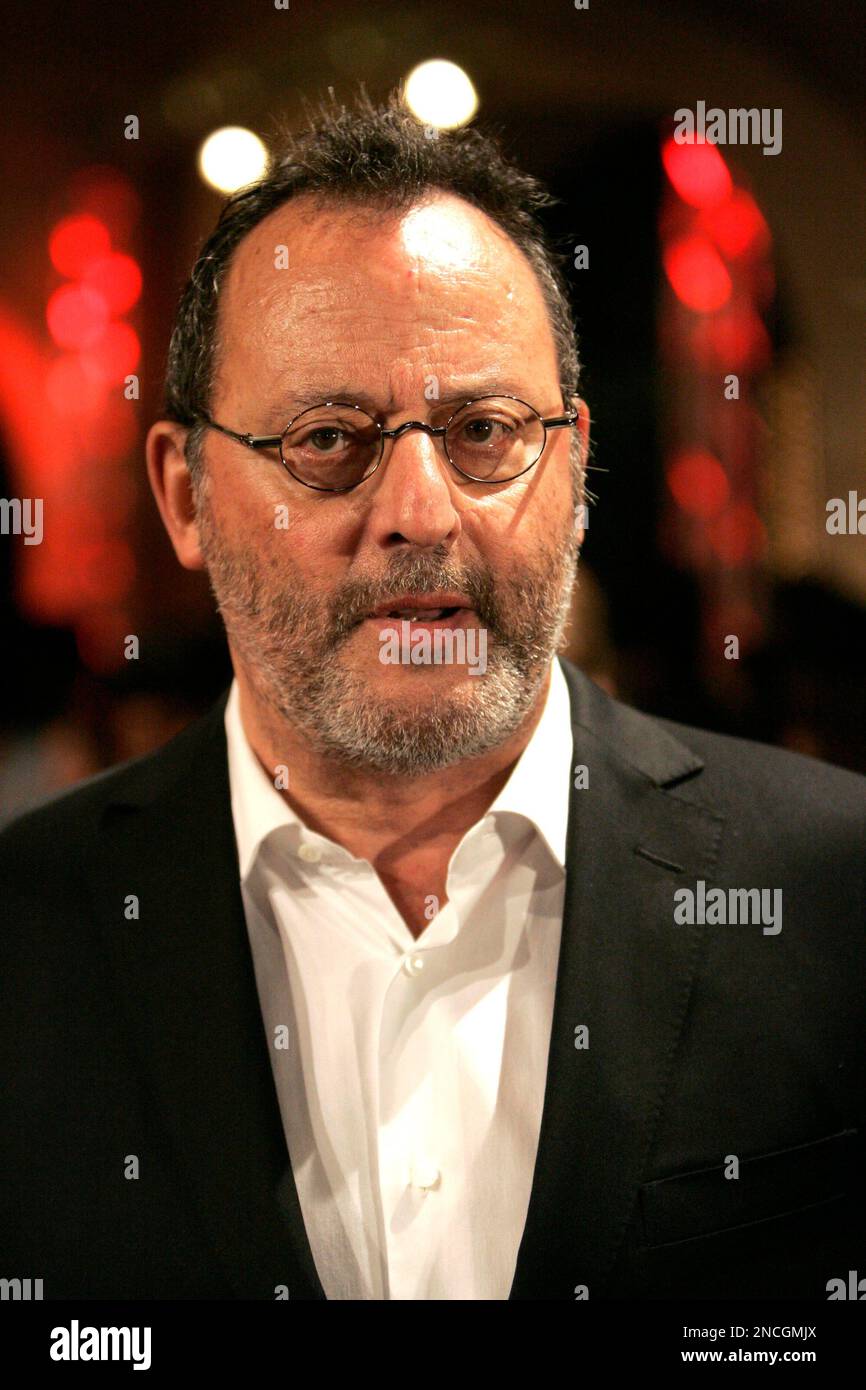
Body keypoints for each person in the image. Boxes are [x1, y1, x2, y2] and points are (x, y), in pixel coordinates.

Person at [1, 94, 863, 1302]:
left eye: (482, 430)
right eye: (325, 440)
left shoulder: (833, 889)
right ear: (185, 495)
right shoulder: (30, 936)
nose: (421, 508)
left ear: (572, 471)